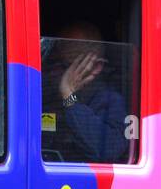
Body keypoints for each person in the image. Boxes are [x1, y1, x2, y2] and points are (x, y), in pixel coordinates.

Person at [41, 21, 129, 164]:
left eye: (67, 66)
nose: (59, 74)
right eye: (56, 63)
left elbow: (108, 150)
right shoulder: (49, 96)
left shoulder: (111, 101)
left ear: (96, 67)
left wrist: (69, 97)